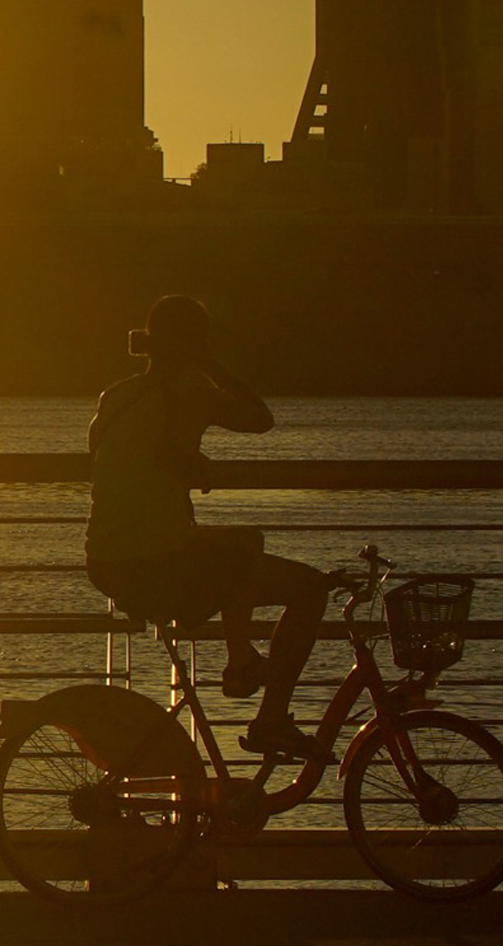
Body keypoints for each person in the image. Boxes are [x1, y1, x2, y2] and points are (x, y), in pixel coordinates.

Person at [86, 295, 330, 762]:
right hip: (159, 560)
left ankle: (240, 658)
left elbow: (106, 457)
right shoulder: (191, 396)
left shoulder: (115, 396)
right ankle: (271, 720)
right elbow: (259, 418)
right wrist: (211, 366)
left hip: (106, 559)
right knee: (310, 589)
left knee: (245, 544)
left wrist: (178, 461)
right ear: (195, 345)